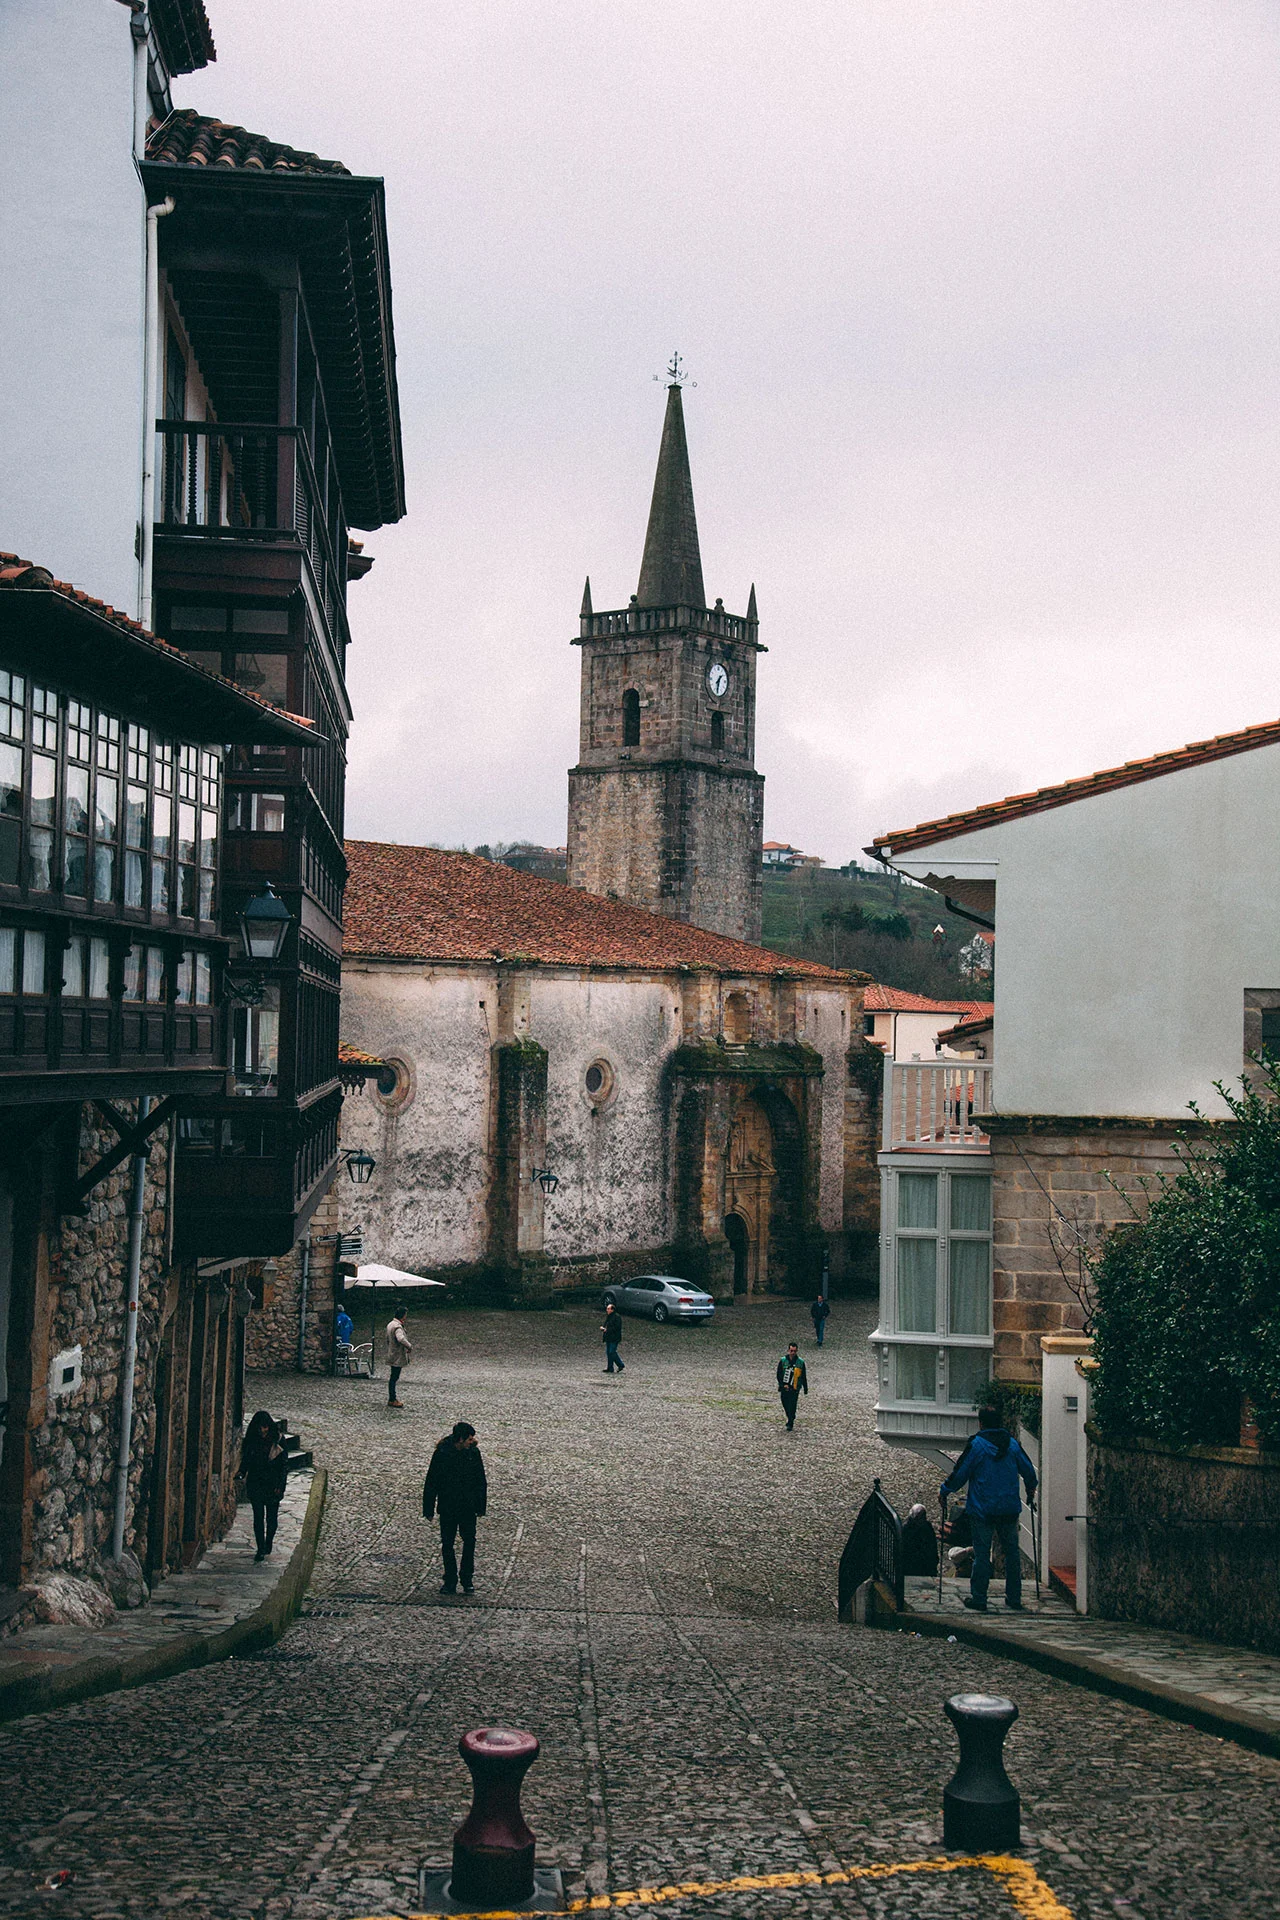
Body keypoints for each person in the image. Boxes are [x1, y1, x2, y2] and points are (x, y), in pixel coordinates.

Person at [940, 1405, 1038, 1612]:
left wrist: (945, 1490)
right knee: (1012, 1554)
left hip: (982, 1509)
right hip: (1009, 1508)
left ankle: (980, 1598)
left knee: (982, 1555)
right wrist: (1030, 1491)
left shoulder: (977, 1445)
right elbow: (1029, 1471)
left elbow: (961, 1472)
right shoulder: (1012, 1445)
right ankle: (1014, 1597)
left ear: (981, 1423)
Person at [422, 1421, 488, 1596]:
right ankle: (450, 1580)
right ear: (460, 1439)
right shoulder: (442, 1454)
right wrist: (428, 1508)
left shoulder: (473, 1453)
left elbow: (480, 1481)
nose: (472, 1441)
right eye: (469, 1438)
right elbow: (432, 1481)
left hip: (467, 1506)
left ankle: (466, 1579)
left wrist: (480, 1506)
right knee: (448, 1544)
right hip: (449, 1506)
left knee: (469, 1542)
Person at [239, 1410, 289, 1562]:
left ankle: (268, 1542)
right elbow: (246, 1460)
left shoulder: (278, 1441)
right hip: (256, 1483)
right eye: (260, 1427)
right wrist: (241, 1472)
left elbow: (283, 1466)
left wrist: (280, 1485)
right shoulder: (251, 1442)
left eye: (265, 1427)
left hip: (272, 1484)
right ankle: (260, 1548)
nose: (263, 1430)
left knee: (272, 1519)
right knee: (258, 1517)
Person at [901, 1502, 939, 1577]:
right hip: (912, 1562)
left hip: (924, 1562)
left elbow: (932, 1546)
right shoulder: (907, 1529)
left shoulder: (926, 1527)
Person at [385, 1304, 412, 1408]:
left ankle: (392, 1398)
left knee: (393, 1377)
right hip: (397, 1355)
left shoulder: (390, 1324)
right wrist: (409, 1346)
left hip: (392, 1353)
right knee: (394, 1377)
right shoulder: (397, 1327)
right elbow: (400, 1338)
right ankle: (392, 1398)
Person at [776, 1343, 808, 1430]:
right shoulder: (783, 1361)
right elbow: (779, 1374)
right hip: (784, 1388)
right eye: (791, 1351)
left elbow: (803, 1375)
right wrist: (782, 1385)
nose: (792, 1353)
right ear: (788, 1350)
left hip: (795, 1388)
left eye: (794, 1351)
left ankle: (790, 1422)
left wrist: (805, 1388)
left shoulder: (800, 1362)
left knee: (792, 1405)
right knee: (785, 1403)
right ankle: (790, 1416)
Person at [601, 1299, 625, 1373]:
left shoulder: (617, 1317)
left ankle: (620, 1364)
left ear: (612, 1309)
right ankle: (610, 1367)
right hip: (609, 1337)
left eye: (608, 1309)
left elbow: (617, 1327)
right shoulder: (609, 1317)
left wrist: (606, 1330)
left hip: (614, 1337)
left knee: (612, 1352)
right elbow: (606, 1324)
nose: (607, 1310)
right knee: (609, 1352)